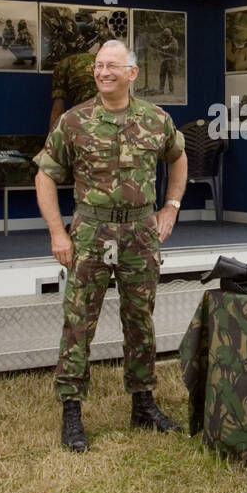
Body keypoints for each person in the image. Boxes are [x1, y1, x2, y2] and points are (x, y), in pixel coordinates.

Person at [34, 40, 188, 452]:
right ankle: (71, 411)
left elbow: (178, 155)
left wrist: (171, 207)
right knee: (79, 321)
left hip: (140, 233)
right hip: (91, 233)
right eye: (99, 66)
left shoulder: (156, 120)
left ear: (132, 73)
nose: (103, 72)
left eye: (112, 66)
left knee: (140, 318)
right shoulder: (74, 120)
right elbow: (44, 174)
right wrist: (57, 233)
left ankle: (143, 404)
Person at [48, 51, 99, 131]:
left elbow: (57, 108)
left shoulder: (63, 64)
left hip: (82, 100)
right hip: (100, 95)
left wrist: (51, 138)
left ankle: (54, 140)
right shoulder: (95, 59)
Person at [155, 24, 178, 94]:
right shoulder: (164, 40)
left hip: (171, 61)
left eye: (166, 35)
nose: (164, 37)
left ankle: (171, 91)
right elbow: (161, 49)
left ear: (169, 35)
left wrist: (166, 47)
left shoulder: (174, 41)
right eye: (164, 35)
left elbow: (174, 47)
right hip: (164, 60)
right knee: (162, 75)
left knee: (170, 76)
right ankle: (161, 90)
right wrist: (160, 50)